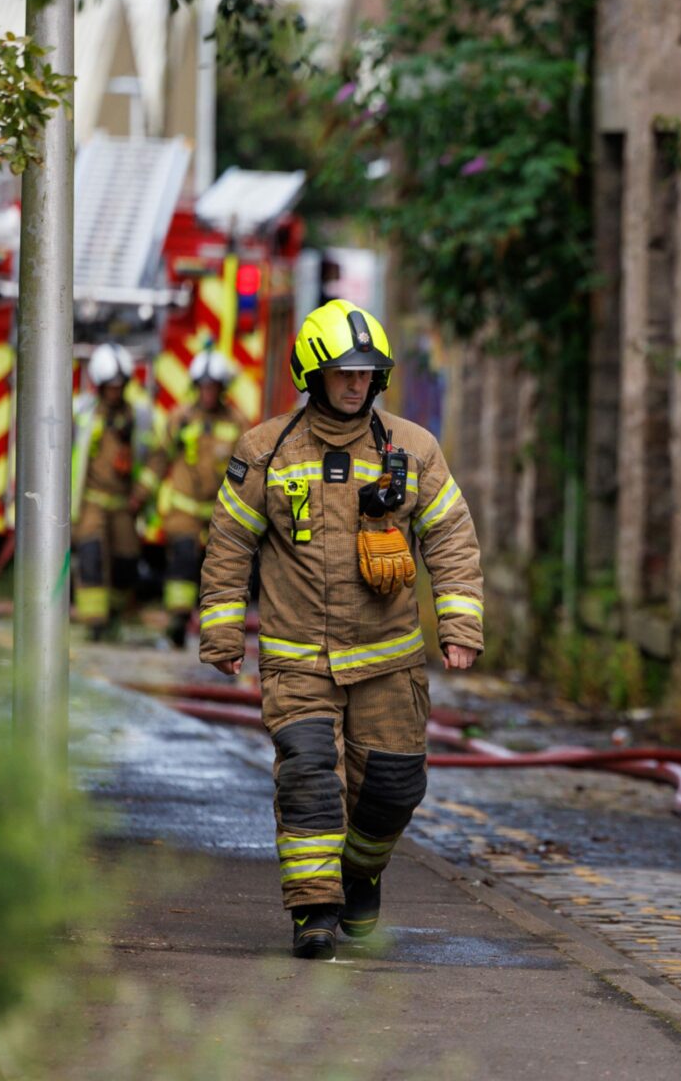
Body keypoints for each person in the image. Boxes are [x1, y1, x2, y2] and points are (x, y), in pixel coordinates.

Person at [197, 301, 484, 960]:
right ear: (313, 375)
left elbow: (451, 538)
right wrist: (223, 634)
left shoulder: (413, 450)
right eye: (343, 373)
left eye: (366, 373)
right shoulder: (265, 452)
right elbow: (229, 546)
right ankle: (314, 911)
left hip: (389, 662)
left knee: (392, 791)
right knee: (308, 779)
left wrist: (460, 624)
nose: (356, 384)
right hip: (297, 661)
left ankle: (359, 874)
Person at [137, 349, 250, 648]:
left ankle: (217, 631)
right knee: (183, 562)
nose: (208, 393)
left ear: (223, 389)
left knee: (220, 568)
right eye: (204, 386)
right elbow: (159, 457)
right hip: (183, 508)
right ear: (196, 387)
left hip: (218, 511)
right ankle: (176, 622)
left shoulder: (236, 423)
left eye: (214, 387)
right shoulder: (181, 419)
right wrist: (141, 494)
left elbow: (247, 468)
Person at [72, 343, 143, 641]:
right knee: (90, 557)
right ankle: (94, 624)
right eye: (110, 387)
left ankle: (114, 615)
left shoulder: (139, 417)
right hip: (91, 501)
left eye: (119, 386)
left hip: (124, 504)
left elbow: (154, 454)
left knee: (127, 562)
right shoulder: (83, 414)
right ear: (99, 386)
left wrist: (142, 491)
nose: (116, 392)